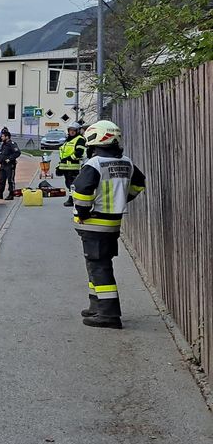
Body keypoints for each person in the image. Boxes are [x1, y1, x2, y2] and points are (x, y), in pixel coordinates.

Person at [70, 120, 147, 329]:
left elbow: (82, 191)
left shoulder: (94, 164)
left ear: (95, 139)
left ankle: (109, 315)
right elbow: (139, 183)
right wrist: (123, 198)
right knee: (96, 265)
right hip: (113, 223)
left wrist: (83, 212)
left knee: (100, 266)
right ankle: (96, 305)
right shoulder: (127, 162)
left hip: (94, 222)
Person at [56, 122, 87, 207]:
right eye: (70, 130)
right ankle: (72, 199)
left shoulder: (80, 139)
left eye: (74, 130)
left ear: (77, 131)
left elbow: (79, 153)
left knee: (72, 184)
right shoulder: (68, 140)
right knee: (68, 184)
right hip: (66, 167)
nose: (72, 132)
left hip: (73, 167)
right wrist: (59, 166)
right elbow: (63, 154)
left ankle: (72, 200)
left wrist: (68, 159)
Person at [0, 128, 21, 200]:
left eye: (2, 136)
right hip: (3, 165)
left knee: (10, 180)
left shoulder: (12, 144)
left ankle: (11, 194)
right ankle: (0, 194)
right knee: (1, 179)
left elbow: (17, 152)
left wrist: (10, 159)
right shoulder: (3, 144)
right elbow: (1, 153)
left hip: (9, 165)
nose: (1, 138)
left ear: (7, 137)